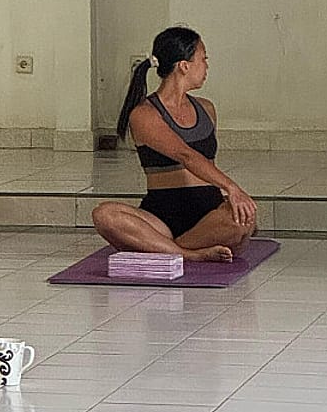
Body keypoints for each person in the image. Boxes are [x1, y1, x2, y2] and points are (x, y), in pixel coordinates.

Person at [92, 26, 256, 262]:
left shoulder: (207, 109)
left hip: (207, 214)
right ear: (184, 65)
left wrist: (233, 201)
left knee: (243, 220)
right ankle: (187, 254)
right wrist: (232, 187)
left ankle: (161, 249)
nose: (207, 65)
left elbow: (205, 162)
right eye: (203, 58)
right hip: (161, 217)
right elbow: (185, 155)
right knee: (104, 215)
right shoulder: (144, 114)